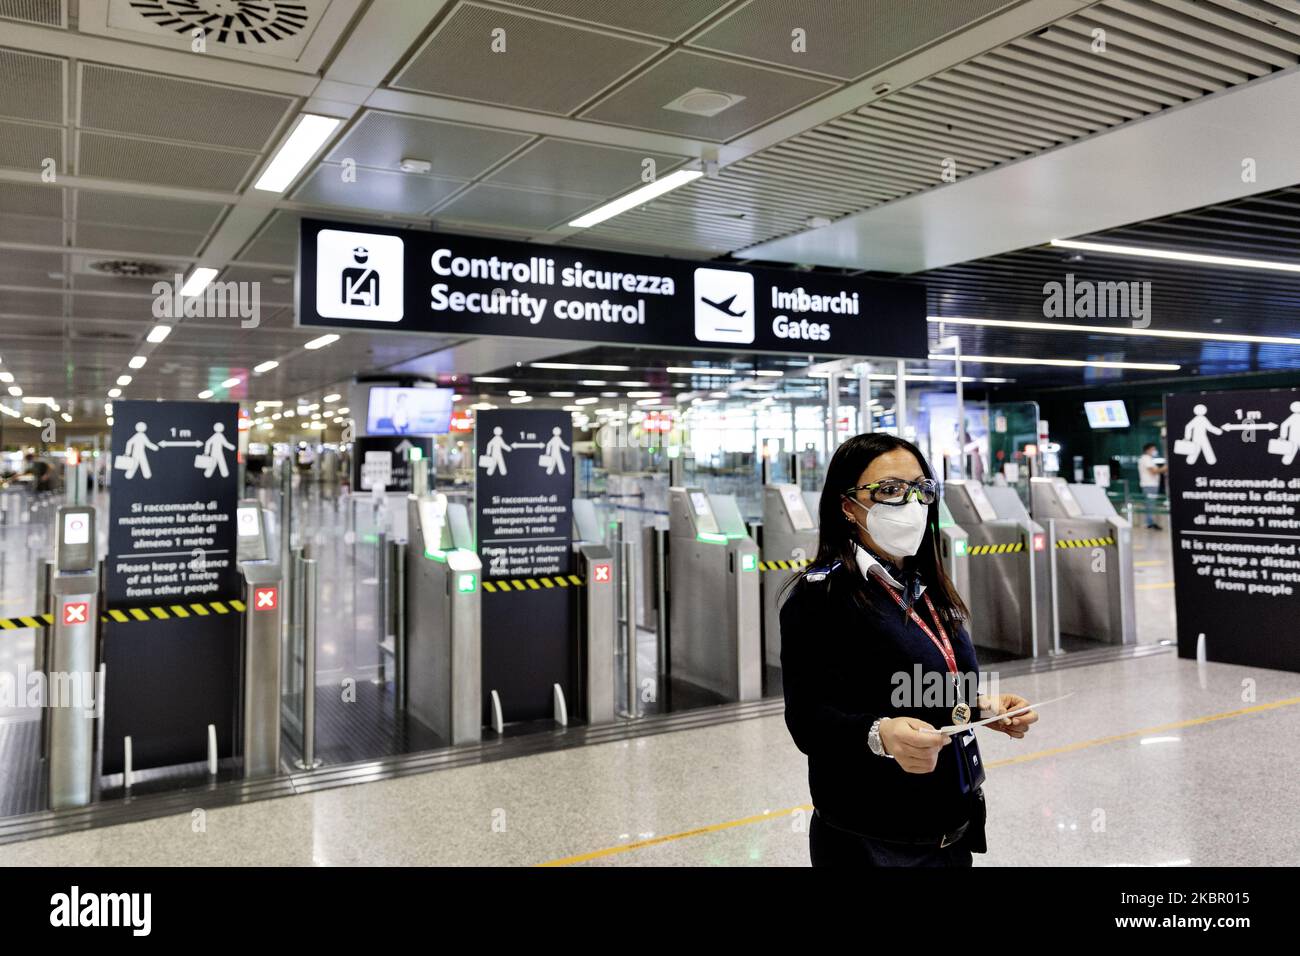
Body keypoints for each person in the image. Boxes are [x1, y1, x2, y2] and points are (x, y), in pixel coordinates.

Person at [780, 433, 1038, 867]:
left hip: (950, 828)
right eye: (890, 490)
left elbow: (911, 684)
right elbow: (807, 719)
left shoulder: (925, 584)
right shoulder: (820, 598)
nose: (912, 503)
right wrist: (881, 735)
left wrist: (979, 707)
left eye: (921, 488)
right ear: (848, 506)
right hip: (873, 840)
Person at [1137, 442, 1167, 530]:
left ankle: (1150, 522)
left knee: (1150, 504)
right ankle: (1150, 523)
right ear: (1148, 450)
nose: (1155, 451)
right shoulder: (1146, 459)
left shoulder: (1148, 459)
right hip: (1149, 485)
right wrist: (1167, 467)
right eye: (1153, 449)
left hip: (1151, 485)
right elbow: (1154, 471)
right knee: (1150, 505)